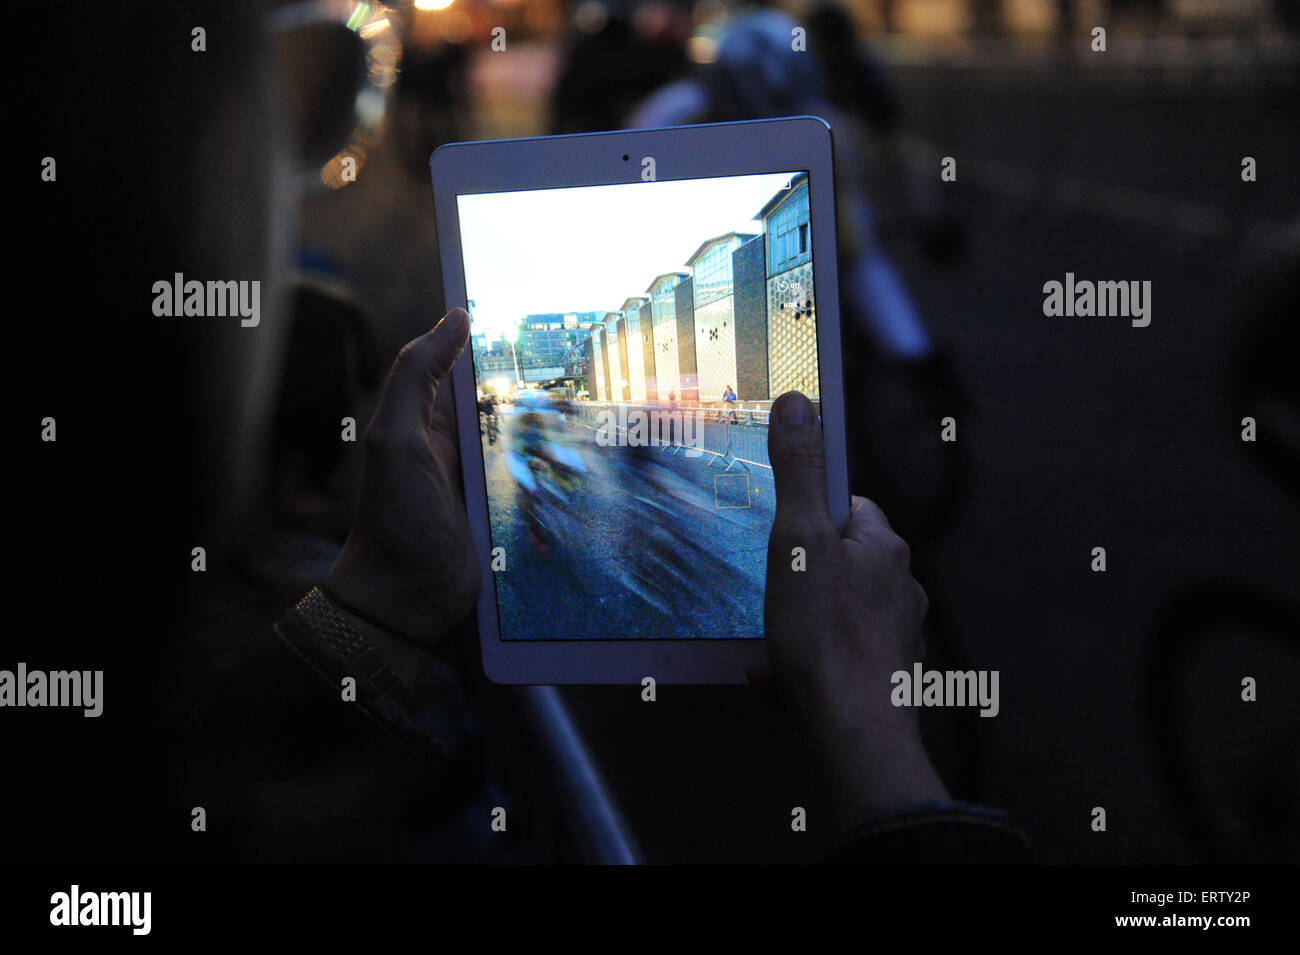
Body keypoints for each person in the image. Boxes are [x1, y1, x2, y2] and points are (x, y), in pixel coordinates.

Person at [199, 307, 1030, 863]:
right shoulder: (544, 419)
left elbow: (258, 799)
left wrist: (388, 592)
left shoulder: (193, 746)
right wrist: (869, 725)